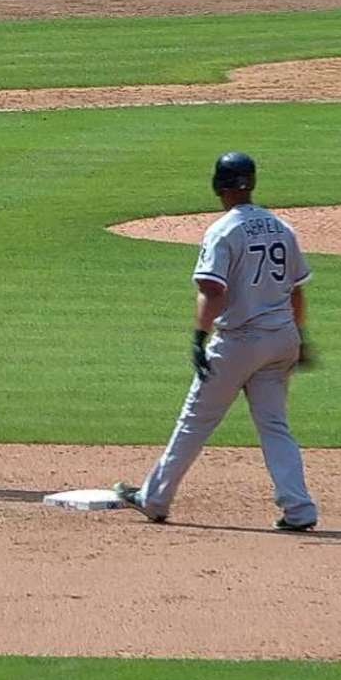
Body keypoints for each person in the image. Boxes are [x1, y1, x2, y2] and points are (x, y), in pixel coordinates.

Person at [113, 153, 320, 531]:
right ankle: (299, 508)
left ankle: (155, 498)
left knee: (195, 421)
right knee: (275, 426)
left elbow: (213, 289)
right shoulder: (281, 227)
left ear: (218, 186)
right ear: (252, 184)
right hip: (281, 339)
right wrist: (300, 338)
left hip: (239, 342)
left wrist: (198, 336)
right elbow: (297, 292)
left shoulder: (224, 230)